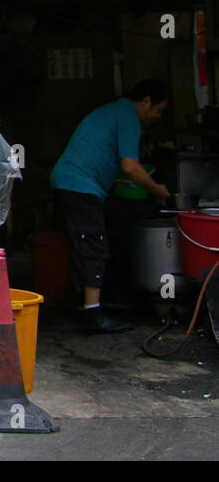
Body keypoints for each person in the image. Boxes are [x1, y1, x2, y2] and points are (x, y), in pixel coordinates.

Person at [50, 79, 170, 334]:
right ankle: (93, 315)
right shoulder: (128, 117)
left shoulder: (113, 111)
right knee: (93, 244)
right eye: (159, 109)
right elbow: (130, 167)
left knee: (83, 244)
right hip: (79, 185)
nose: (157, 116)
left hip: (69, 182)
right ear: (146, 101)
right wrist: (158, 190)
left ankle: (86, 306)